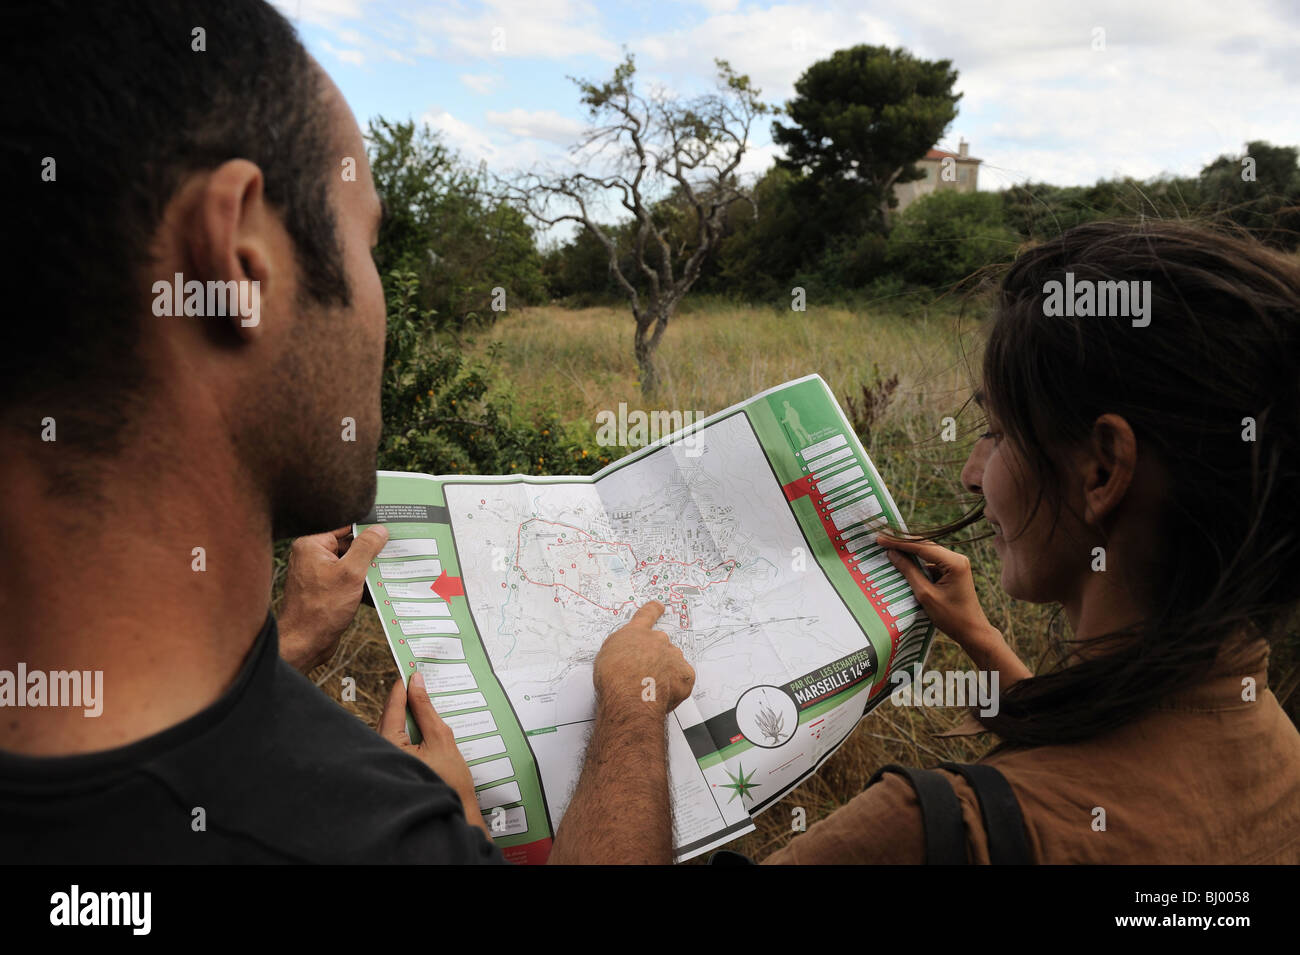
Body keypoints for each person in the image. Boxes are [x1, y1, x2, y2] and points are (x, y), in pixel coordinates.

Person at [0, 0, 691, 864]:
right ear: (239, 260)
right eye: (369, 243)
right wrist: (631, 705)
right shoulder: (374, 839)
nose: (380, 302)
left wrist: (282, 653)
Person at [761, 219, 1300, 864]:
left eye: (997, 433)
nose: (971, 475)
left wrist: (630, 714)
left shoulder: (926, 833)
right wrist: (980, 638)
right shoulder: (1265, 730)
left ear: (1102, 471)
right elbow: (1104, 750)